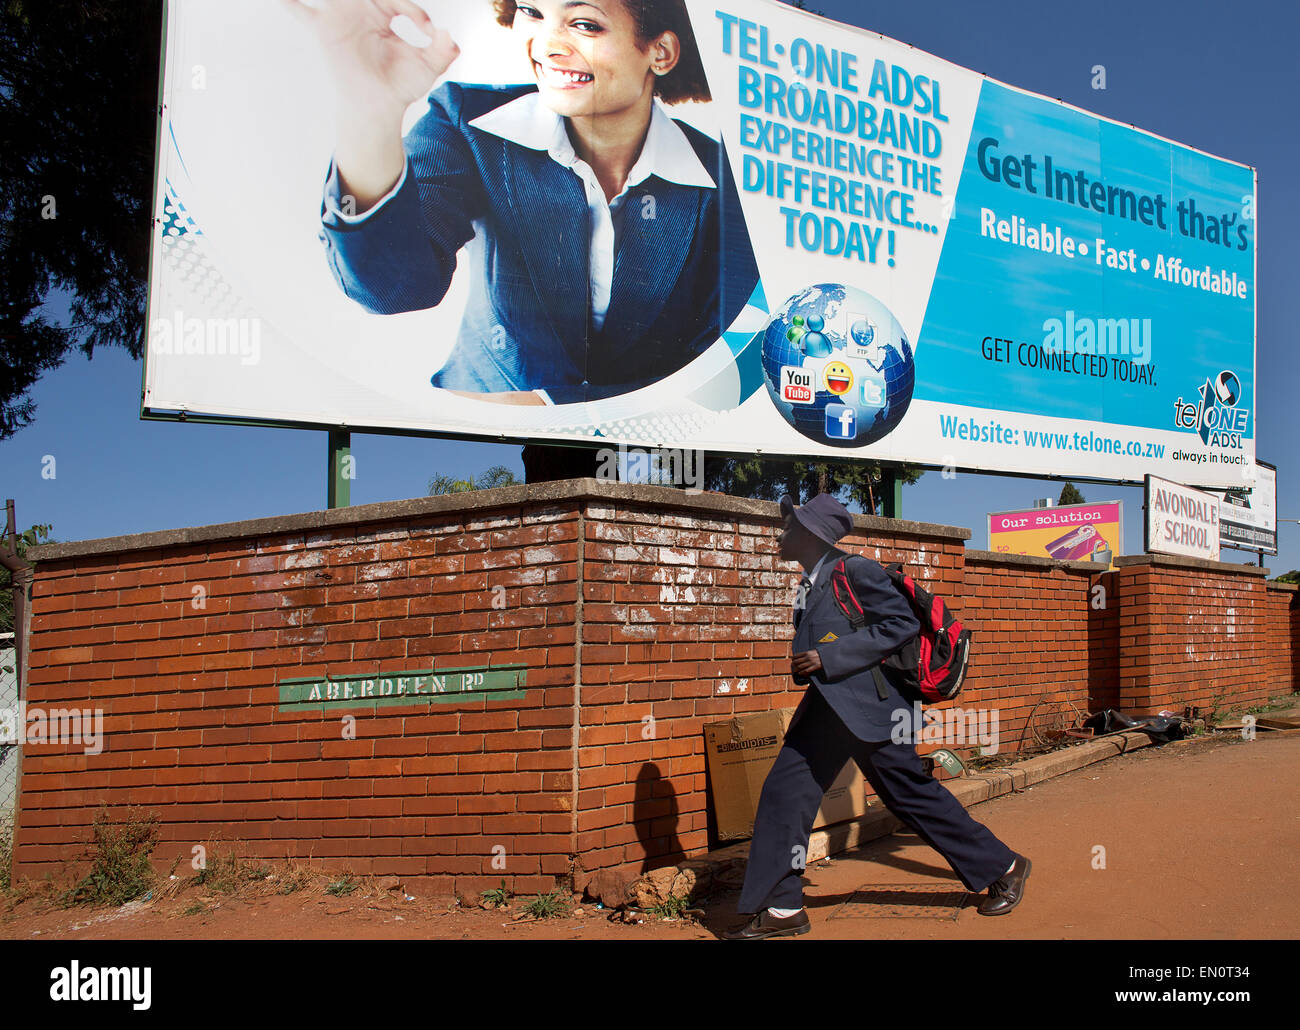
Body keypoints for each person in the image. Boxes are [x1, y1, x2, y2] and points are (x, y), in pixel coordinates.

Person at [289, 0, 760, 406]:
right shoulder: (466, 121)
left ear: (660, 51)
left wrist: (549, 408)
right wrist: (371, 114)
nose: (547, 44)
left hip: (644, 465)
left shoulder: (729, 183)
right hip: (482, 450)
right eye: (533, 12)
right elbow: (393, 288)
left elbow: (726, 369)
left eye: (584, 24)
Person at [724, 493, 1030, 940]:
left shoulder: (855, 570)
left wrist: (826, 656)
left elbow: (899, 624)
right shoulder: (813, 580)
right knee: (784, 794)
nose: (781, 534)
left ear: (811, 535)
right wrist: (814, 659)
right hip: (829, 709)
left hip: (873, 710)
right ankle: (784, 907)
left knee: (910, 796)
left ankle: (1005, 865)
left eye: (790, 527)